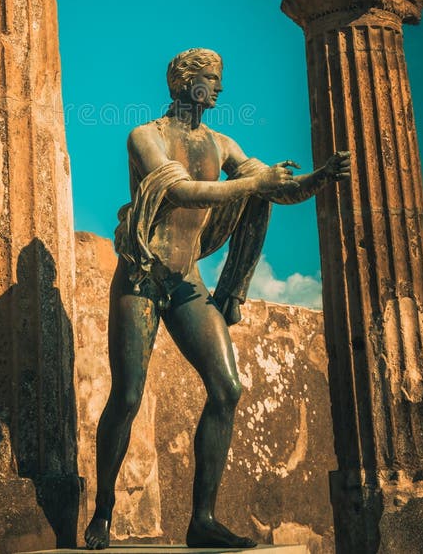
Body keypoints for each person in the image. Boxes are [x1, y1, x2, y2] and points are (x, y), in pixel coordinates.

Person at [85, 48, 350, 549]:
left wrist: (317, 178)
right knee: (128, 396)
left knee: (227, 387)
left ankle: (202, 520)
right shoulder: (145, 136)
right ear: (185, 82)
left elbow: (272, 189)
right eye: (211, 78)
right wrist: (255, 183)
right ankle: (102, 512)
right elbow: (183, 192)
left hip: (186, 281)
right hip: (143, 277)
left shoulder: (221, 144)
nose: (220, 88)